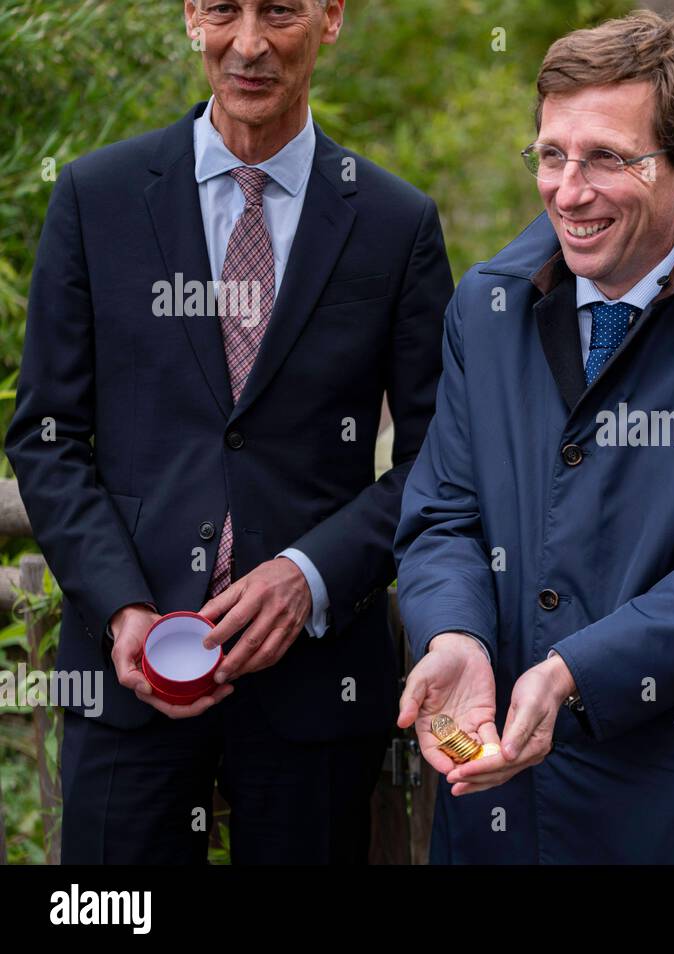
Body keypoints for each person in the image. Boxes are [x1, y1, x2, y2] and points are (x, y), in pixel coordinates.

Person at [5, 0, 453, 863]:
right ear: (189, 17)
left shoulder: (397, 223)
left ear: (330, 19)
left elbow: (441, 460)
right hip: (127, 675)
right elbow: (47, 436)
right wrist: (121, 605)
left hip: (318, 685)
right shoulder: (94, 197)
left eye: (279, 11)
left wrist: (309, 575)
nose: (247, 43)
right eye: (223, 10)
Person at [394, 11, 674, 864]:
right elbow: (442, 514)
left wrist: (570, 675)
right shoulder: (483, 307)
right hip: (498, 809)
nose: (569, 190)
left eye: (608, 157)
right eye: (552, 154)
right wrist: (452, 633)